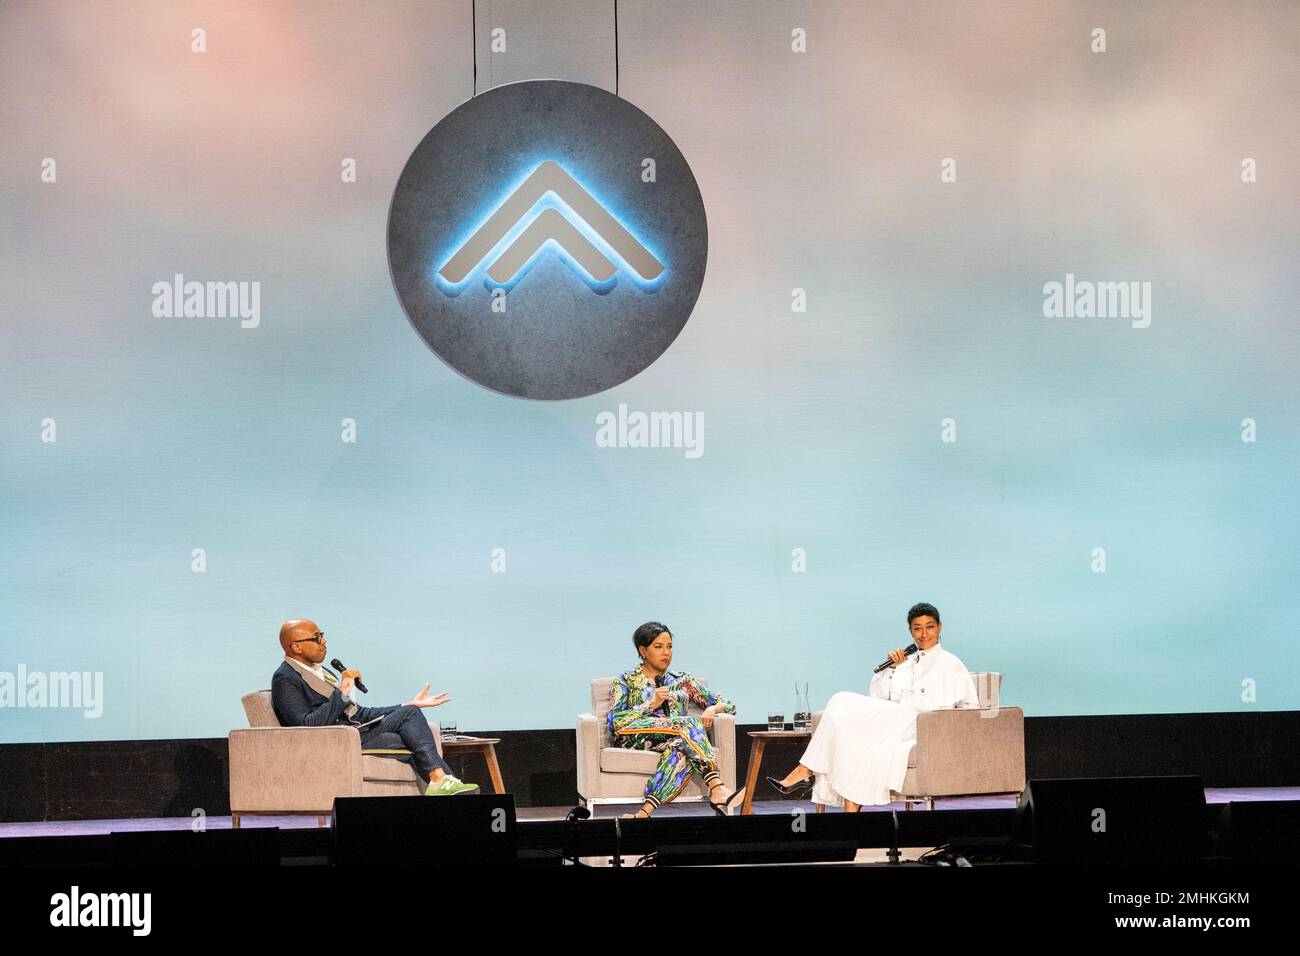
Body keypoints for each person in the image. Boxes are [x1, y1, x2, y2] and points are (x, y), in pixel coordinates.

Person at [768, 602, 979, 811]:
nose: (924, 634)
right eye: (918, 628)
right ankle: (850, 828)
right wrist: (892, 670)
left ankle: (805, 769)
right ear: (910, 631)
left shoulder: (952, 663)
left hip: (924, 724)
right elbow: (877, 699)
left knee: (841, 699)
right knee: (851, 738)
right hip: (894, 723)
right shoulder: (904, 663)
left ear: (939, 627)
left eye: (930, 626)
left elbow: (971, 710)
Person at [271, 618, 478, 796]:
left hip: (357, 730)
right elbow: (306, 726)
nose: (323, 642)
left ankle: (440, 781)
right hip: (337, 741)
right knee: (407, 737)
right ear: (296, 646)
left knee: (410, 713)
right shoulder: (285, 678)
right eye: (316, 638)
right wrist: (343, 691)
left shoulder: (321, 671)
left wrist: (407, 704)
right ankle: (446, 786)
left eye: (322, 635)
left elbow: (358, 712)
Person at [607, 622, 747, 818]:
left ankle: (643, 814)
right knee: (689, 724)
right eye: (658, 647)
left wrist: (712, 708)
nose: (666, 652)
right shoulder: (626, 680)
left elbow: (729, 704)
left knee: (682, 748)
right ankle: (716, 786)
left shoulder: (683, 681)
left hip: (674, 737)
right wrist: (651, 704)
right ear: (643, 650)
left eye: (669, 647)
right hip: (635, 738)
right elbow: (616, 721)